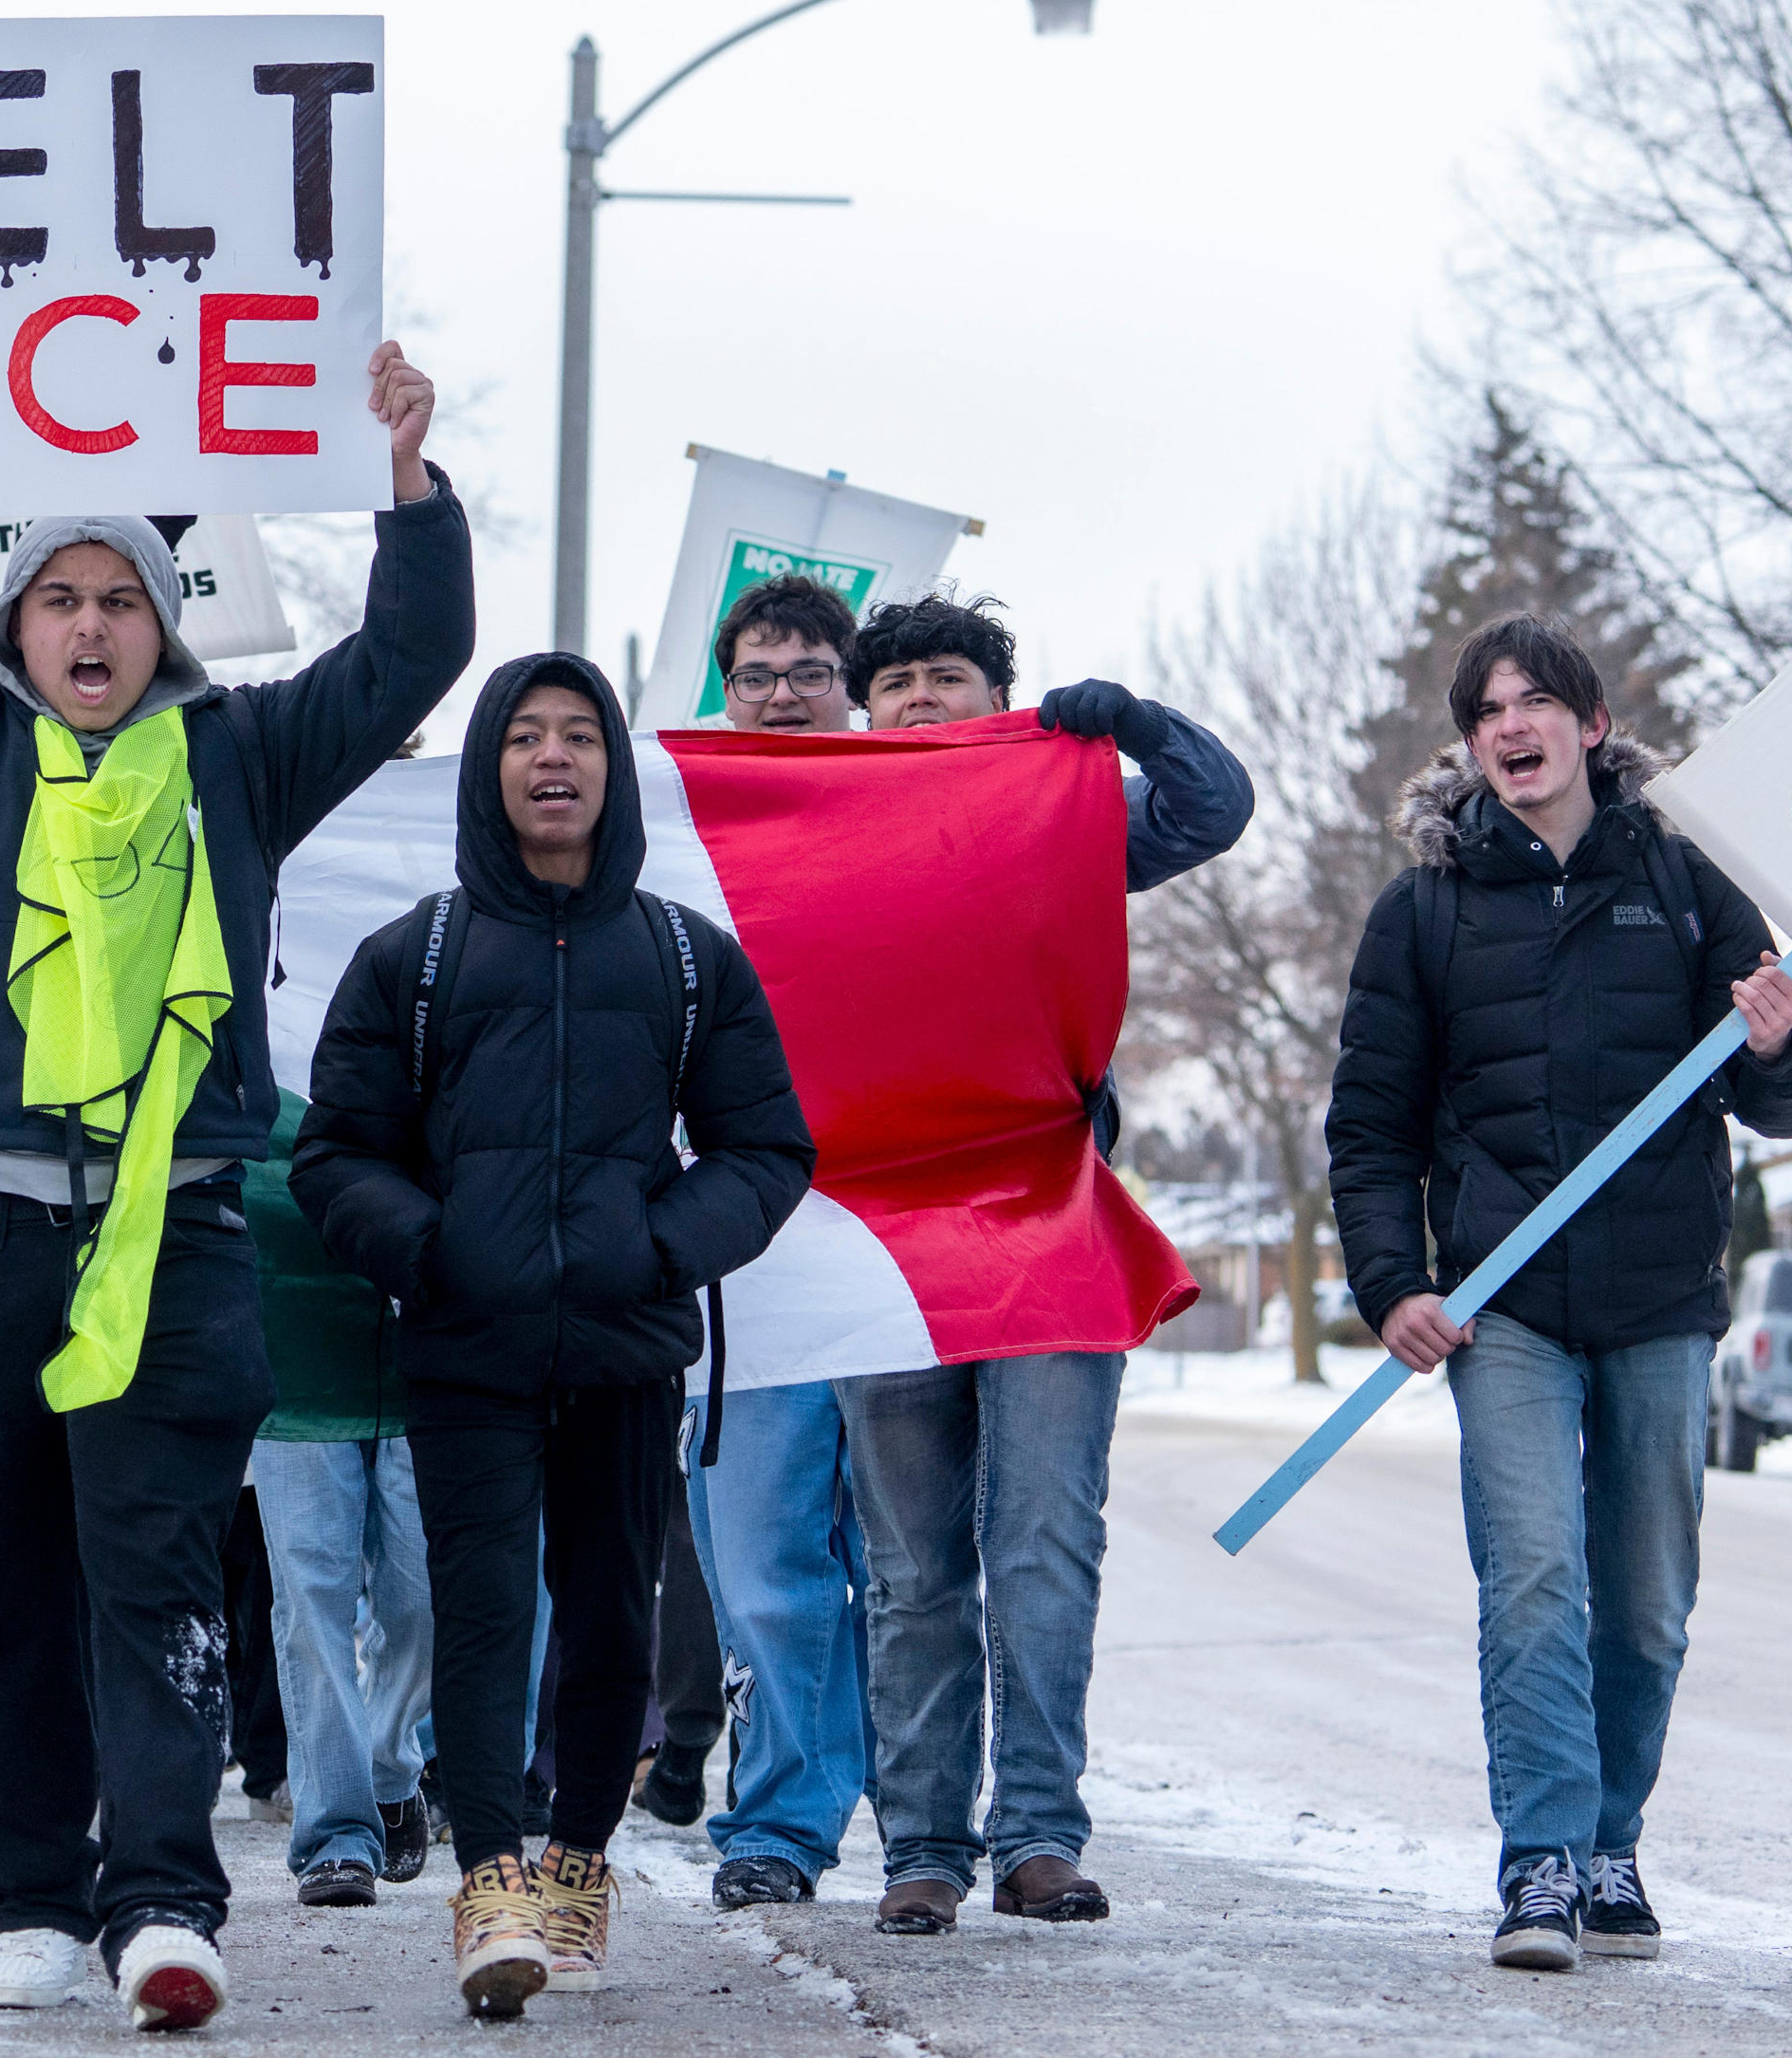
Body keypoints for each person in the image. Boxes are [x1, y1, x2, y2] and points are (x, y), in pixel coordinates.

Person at [0, 260, 472, 2030]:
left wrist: (407, 481)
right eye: (54, 595)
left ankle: (162, 1903)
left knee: (151, 1574)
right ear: (11, 619)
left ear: (165, 622)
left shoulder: (240, 759)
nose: (84, 625)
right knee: (0, 1575)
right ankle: (39, 1899)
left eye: (115, 596)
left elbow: (412, 656)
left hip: (179, 1237)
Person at [293, 654, 813, 2020]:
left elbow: (766, 1146)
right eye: (523, 735)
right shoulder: (417, 955)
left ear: (613, 767)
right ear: (488, 769)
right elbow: (338, 1150)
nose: (553, 757)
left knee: (607, 1619)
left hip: (630, 1347)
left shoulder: (691, 955)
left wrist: (663, 1244)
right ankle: (492, 1883)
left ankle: (578, 1857)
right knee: (481, 1618)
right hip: (466, 1346)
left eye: (579, 733)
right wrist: (434, 1242)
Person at [1324, 613, 1792, 1975]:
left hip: (1662, 1290)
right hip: (1507, 1304)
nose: (1513, 724)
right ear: (1471, 738)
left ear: (1593, 725)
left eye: (1539, 699)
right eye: (1488, 708)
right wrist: (1392, 1285)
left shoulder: (1688, 875)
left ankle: (1613, 1837)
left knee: (1647, 1594)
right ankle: (1540, 1858)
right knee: (1536, 1578)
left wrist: (1780, 1048)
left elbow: (1784, 1095)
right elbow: (1370, 1126)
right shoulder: (1423, 905)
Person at [834, 592, 1253, 1937]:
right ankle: (921, 1847)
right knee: (909, 1568)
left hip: (1046, 1219)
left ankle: (1038, 1835)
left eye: (945, 677)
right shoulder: (820, 837)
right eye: (891, 683)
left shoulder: (1060, 818)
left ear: (995, 700)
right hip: (879, 1243)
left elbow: (1214, 803)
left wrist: (1130, 725)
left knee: (1042, 1545)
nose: (916, 700)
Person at [676, 571, 878, 1909]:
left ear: (848, 686)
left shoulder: (922, 815)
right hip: (748, 1260)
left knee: (912, 1573)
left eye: (810, 669)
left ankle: (920, 1822)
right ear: (724, 687)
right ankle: (783, 1817)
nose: (784, 692)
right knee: (760, 1569)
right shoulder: (676, 828)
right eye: (758, 671)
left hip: (904, 1250)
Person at [245, 1421, 437, 1908]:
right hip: (301, 1371)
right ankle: (336, 1835)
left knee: (427, 1599)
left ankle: (387, 1766)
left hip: (422, 1366)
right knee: (310, 1601)